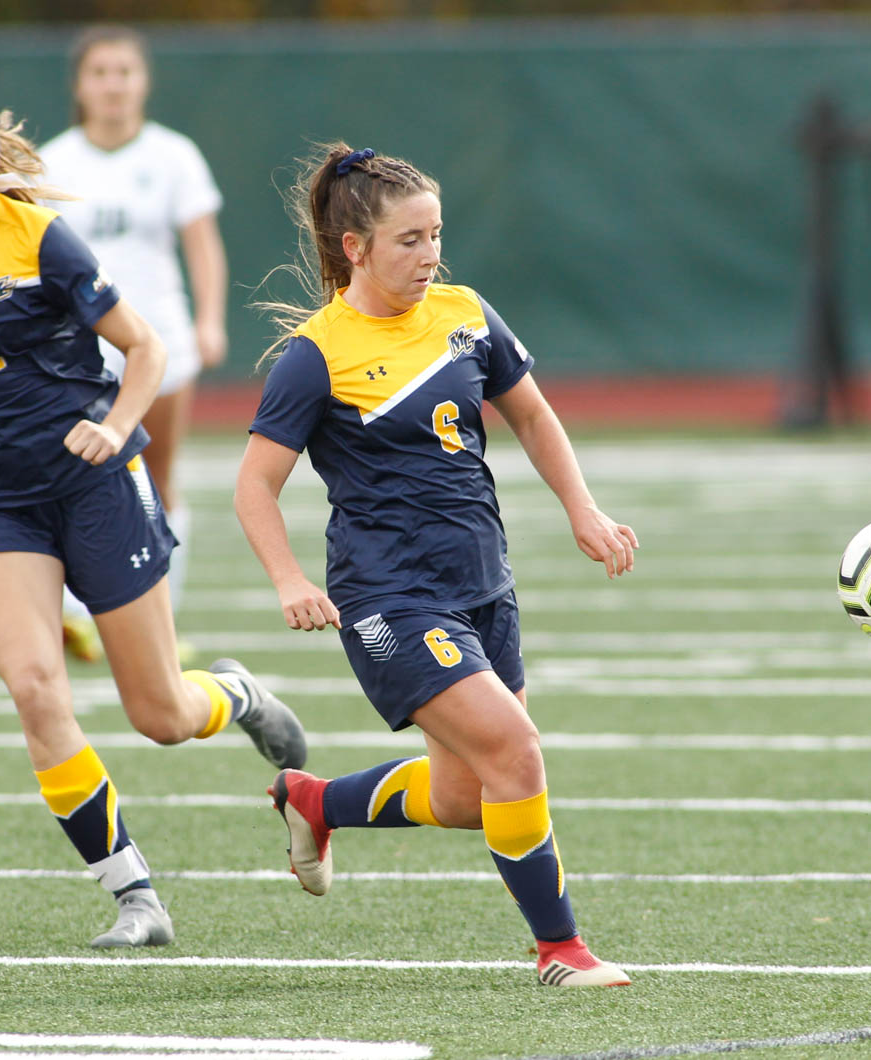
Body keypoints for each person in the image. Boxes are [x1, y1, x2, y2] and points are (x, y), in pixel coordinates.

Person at [0, 77, 306, 948]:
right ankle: (134, 896)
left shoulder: (37, 235)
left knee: (161, 716)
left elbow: (145, 347)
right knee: (35, 687)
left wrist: (114, 426)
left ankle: (233, 694)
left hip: (95, 484)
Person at [234, 143, 640, 988]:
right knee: (517, 754)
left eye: (435, 236)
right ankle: (559, 951)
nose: (429, 257)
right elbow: (254, 487)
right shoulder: (317, 355)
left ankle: (313, 801)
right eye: (409, 241)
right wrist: (288, 579)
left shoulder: (462, 312)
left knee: (465, 797)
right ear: (356, 249)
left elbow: (531, 415)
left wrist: (583, 510)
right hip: (388, 596)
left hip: (482, 585)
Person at [38, 25, 230, 624]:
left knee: (157, 476)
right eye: (100, 72)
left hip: (159, 340)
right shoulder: (55, 161)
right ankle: (76, 616)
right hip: (78, 351)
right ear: (79, 85)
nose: (113, 85)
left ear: (143, 81)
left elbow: (203, 247)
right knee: (72, 474)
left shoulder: (173, 156)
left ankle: (163, 618)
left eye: (124, 71)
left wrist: (210, 321)